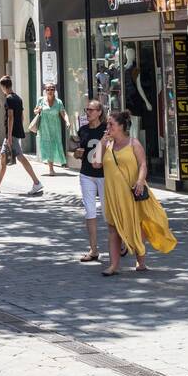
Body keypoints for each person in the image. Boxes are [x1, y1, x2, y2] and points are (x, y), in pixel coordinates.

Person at [97, 109, 176, 276]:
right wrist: (101, 143)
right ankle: (113, 266)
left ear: (121, 126)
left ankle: (140, 262)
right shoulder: (107, 144)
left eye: (111, 124)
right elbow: (96, 164)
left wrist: (140, 180)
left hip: (132, 192)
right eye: (107, 124)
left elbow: (143, 165)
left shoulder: (133, 143)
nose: (108, 127)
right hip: (113, 194)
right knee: (113, 228)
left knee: (137, 225)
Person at [0, 76, 43, 196]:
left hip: (11, 133)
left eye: (1, 87)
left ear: (4, 86)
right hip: (16, 131)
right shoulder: (18, 98)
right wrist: (19, 129)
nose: (1, 89)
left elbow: (11, 117)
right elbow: (22, 116)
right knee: (3, 156)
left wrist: (9, 136)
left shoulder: (9, 99)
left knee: (20, 157)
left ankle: (36, 182)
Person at [73, 99, 108, 262]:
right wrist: (77, 153)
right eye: (86, 109)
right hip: (86, 174)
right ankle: (93, 249)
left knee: (108, 212)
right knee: (90, 211)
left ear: (99, 112)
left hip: (104, 175)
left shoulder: (106, 130)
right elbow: (78, 151)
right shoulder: (83, 130)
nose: (88, 112)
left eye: (91, 110)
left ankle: (120, 243)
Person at [32, 84, 69, 175]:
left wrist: (67, 121)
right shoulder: (41, 100)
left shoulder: (58, 102)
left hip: (55, 128)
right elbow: (35, 111)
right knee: (48, 146)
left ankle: (61, 162)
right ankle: (51, 169)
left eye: (52, 89)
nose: (50, 91)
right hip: (44, 127)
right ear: (45, 91)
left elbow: (63, 113)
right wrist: (38, 110)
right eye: (48, 89)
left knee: (56, 144)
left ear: (54, 90)